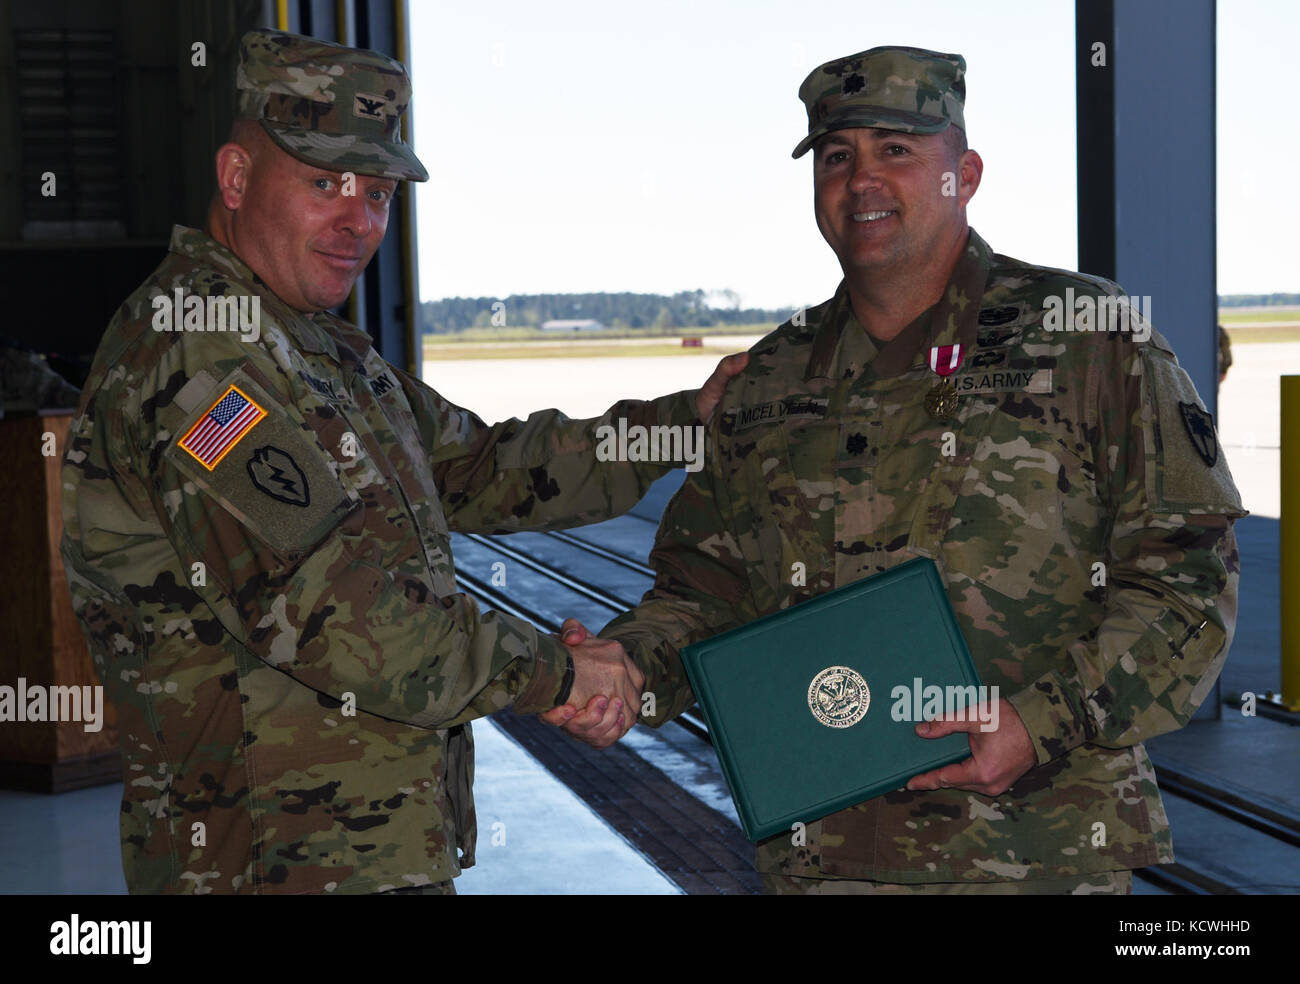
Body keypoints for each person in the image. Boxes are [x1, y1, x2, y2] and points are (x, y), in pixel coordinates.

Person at [546, 45, 1245, 895]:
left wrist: (1037, 721)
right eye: (837, 157)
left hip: (1037, 858)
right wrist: (627, 671)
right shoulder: (770, 378)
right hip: (824, 859)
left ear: (967, 172)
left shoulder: (1089, 338)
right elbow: (703, 591)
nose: (862, 181)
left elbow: (1190, 582)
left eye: (897, 150)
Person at [59, 28, 742, 895]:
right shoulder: (196, 356)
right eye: (323, 184)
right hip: (267, 863)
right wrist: (565, 672)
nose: (358, 221)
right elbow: (344, 616)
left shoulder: (316, 347)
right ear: (236, 178)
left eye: (377, 194)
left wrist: (684, 424)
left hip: (360, 853)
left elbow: (488, 465)